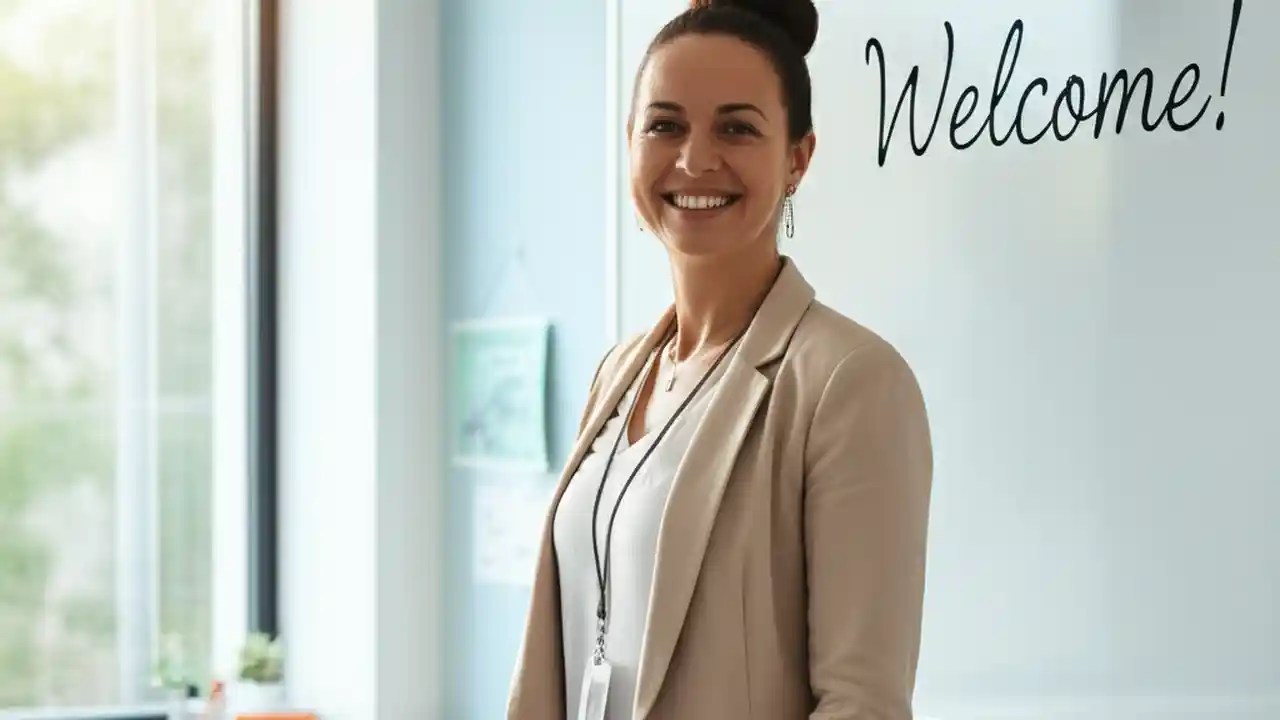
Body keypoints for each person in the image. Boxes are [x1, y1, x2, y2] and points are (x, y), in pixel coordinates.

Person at [507, 0, 933, 717]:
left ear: (797, 158)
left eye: (737, 128)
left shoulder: (847, 381)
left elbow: (862, 703)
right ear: (631, 142)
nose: (694, 159)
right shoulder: (618, 373)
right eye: (665, 125)